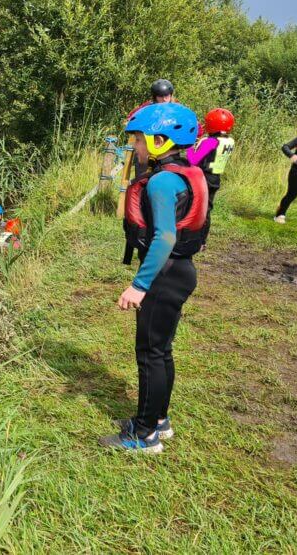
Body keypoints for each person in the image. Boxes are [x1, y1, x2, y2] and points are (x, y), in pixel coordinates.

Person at [101, 102, 207, 454]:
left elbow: (164, 237)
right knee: (161, 351)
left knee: (148, 354)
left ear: (160, 140)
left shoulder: (162, 182)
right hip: (179, 272)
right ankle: (159, 420)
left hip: (163, 274)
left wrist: (139, 285)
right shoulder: (188, 172)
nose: (136, 147)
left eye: (140, 140)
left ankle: (143, 434)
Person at [186, 108, 236, 243]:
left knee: (198, 209)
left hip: (204, 178)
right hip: (215, 178)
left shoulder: (210, 141)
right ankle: (202, 240)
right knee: (207, 209)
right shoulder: (229, 140)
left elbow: (193, 160)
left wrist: (190, 144)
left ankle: (197, 239)